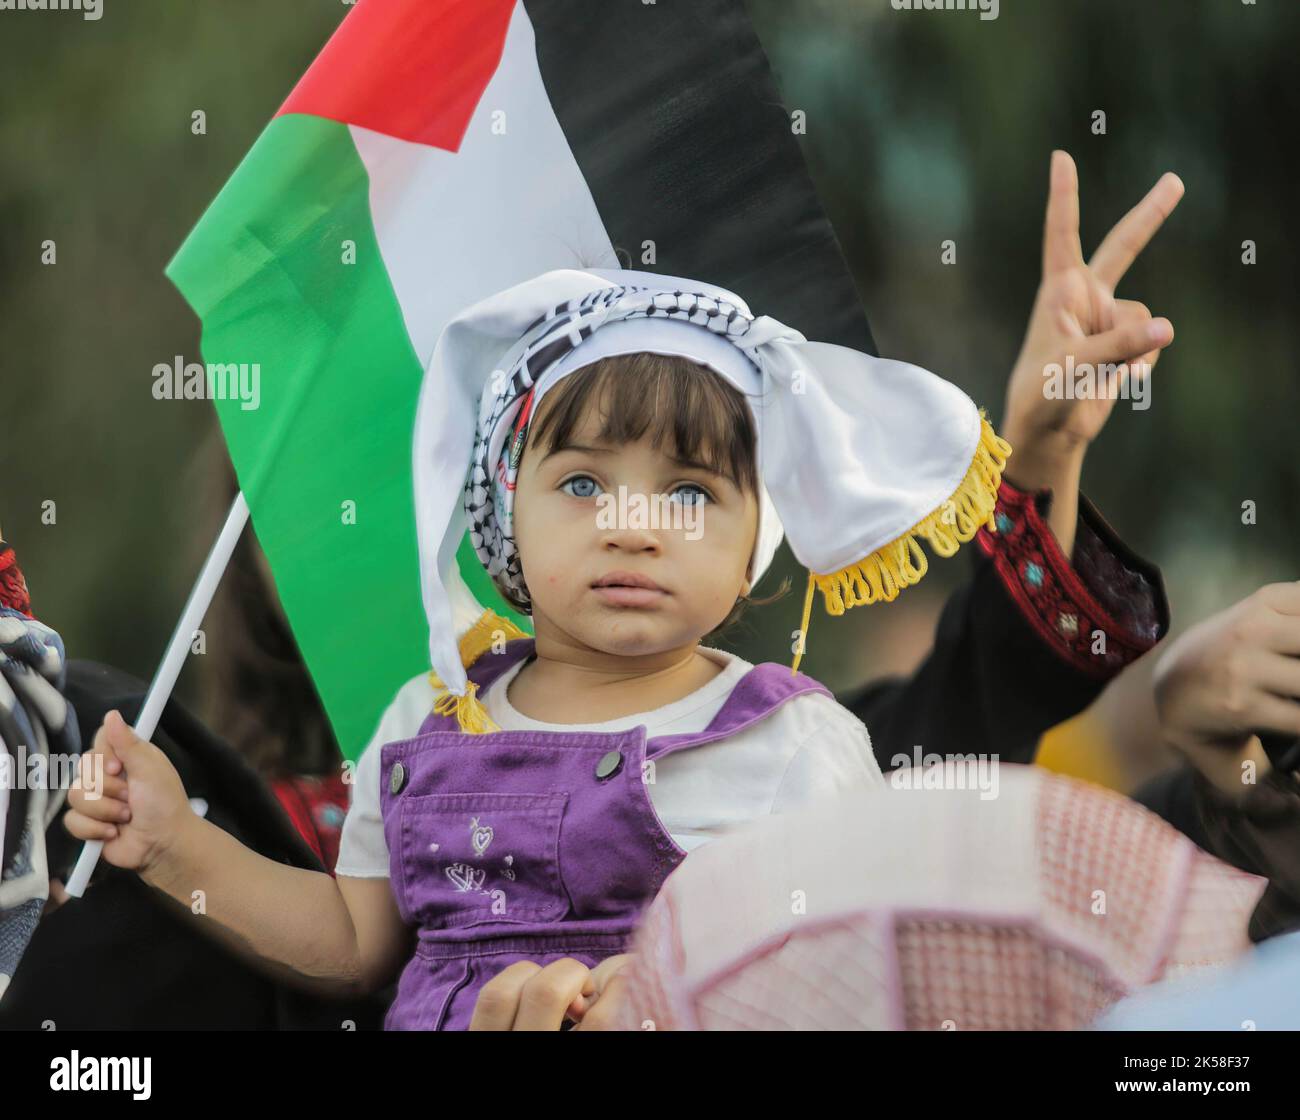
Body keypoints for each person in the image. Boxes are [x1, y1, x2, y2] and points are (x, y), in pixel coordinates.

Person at [64, 152, 1185, 1031]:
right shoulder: (423, 722)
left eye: (690, 491)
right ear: (502, 509)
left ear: (758, 538)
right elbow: (355, 941)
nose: (634, 525)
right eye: (585, 480)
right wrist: (173, 842)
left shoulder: (795, 743)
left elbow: (852, 975)